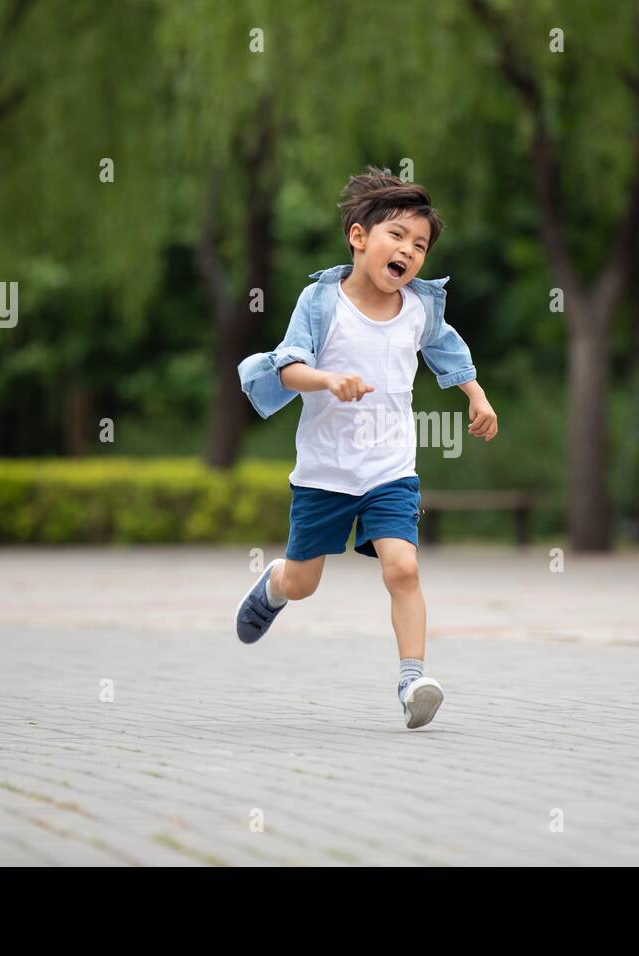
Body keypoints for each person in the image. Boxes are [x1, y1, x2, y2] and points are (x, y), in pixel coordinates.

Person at [234, 166, 498, 728]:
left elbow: (448, 353)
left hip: (390, 470)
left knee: (403, 568)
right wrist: (327, 379)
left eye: (420, 245)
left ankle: (412, 681)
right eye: (397, 236)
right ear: (359, 237)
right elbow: (288, 368)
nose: (408, 251)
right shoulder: (321, 301)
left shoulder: (420, 310)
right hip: (324, 473)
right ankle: (275, 584)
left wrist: (477, 397)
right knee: (305, 583)